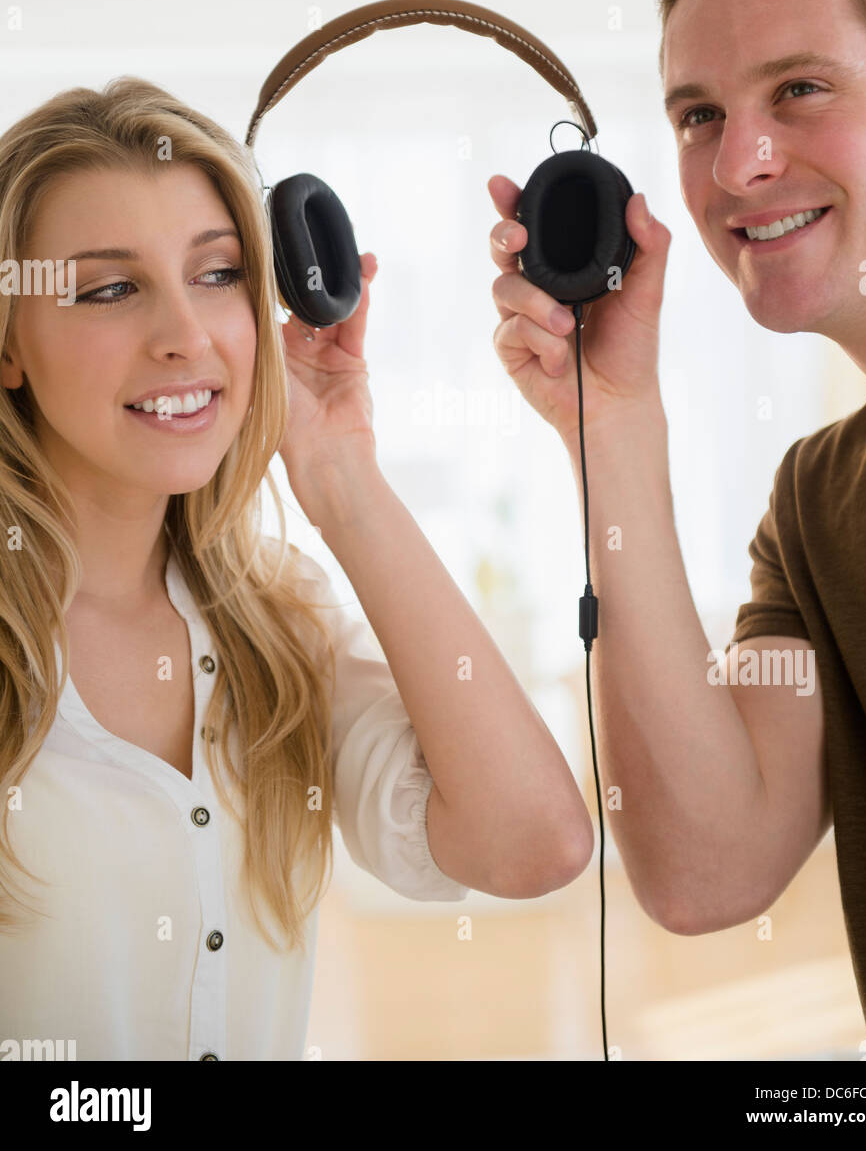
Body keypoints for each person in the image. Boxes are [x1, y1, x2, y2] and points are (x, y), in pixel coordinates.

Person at [0, 78, 593, 1061]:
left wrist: (341, 477)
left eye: (220, 274)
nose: (184, 335)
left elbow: (534, 844)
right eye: (110, 288)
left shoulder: (277, 618)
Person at [486, 0, 866, 1053]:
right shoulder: (820, 500)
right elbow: (701, 868)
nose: (739, 163)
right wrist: (612, 428)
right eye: (696, 113)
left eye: (799, 89)